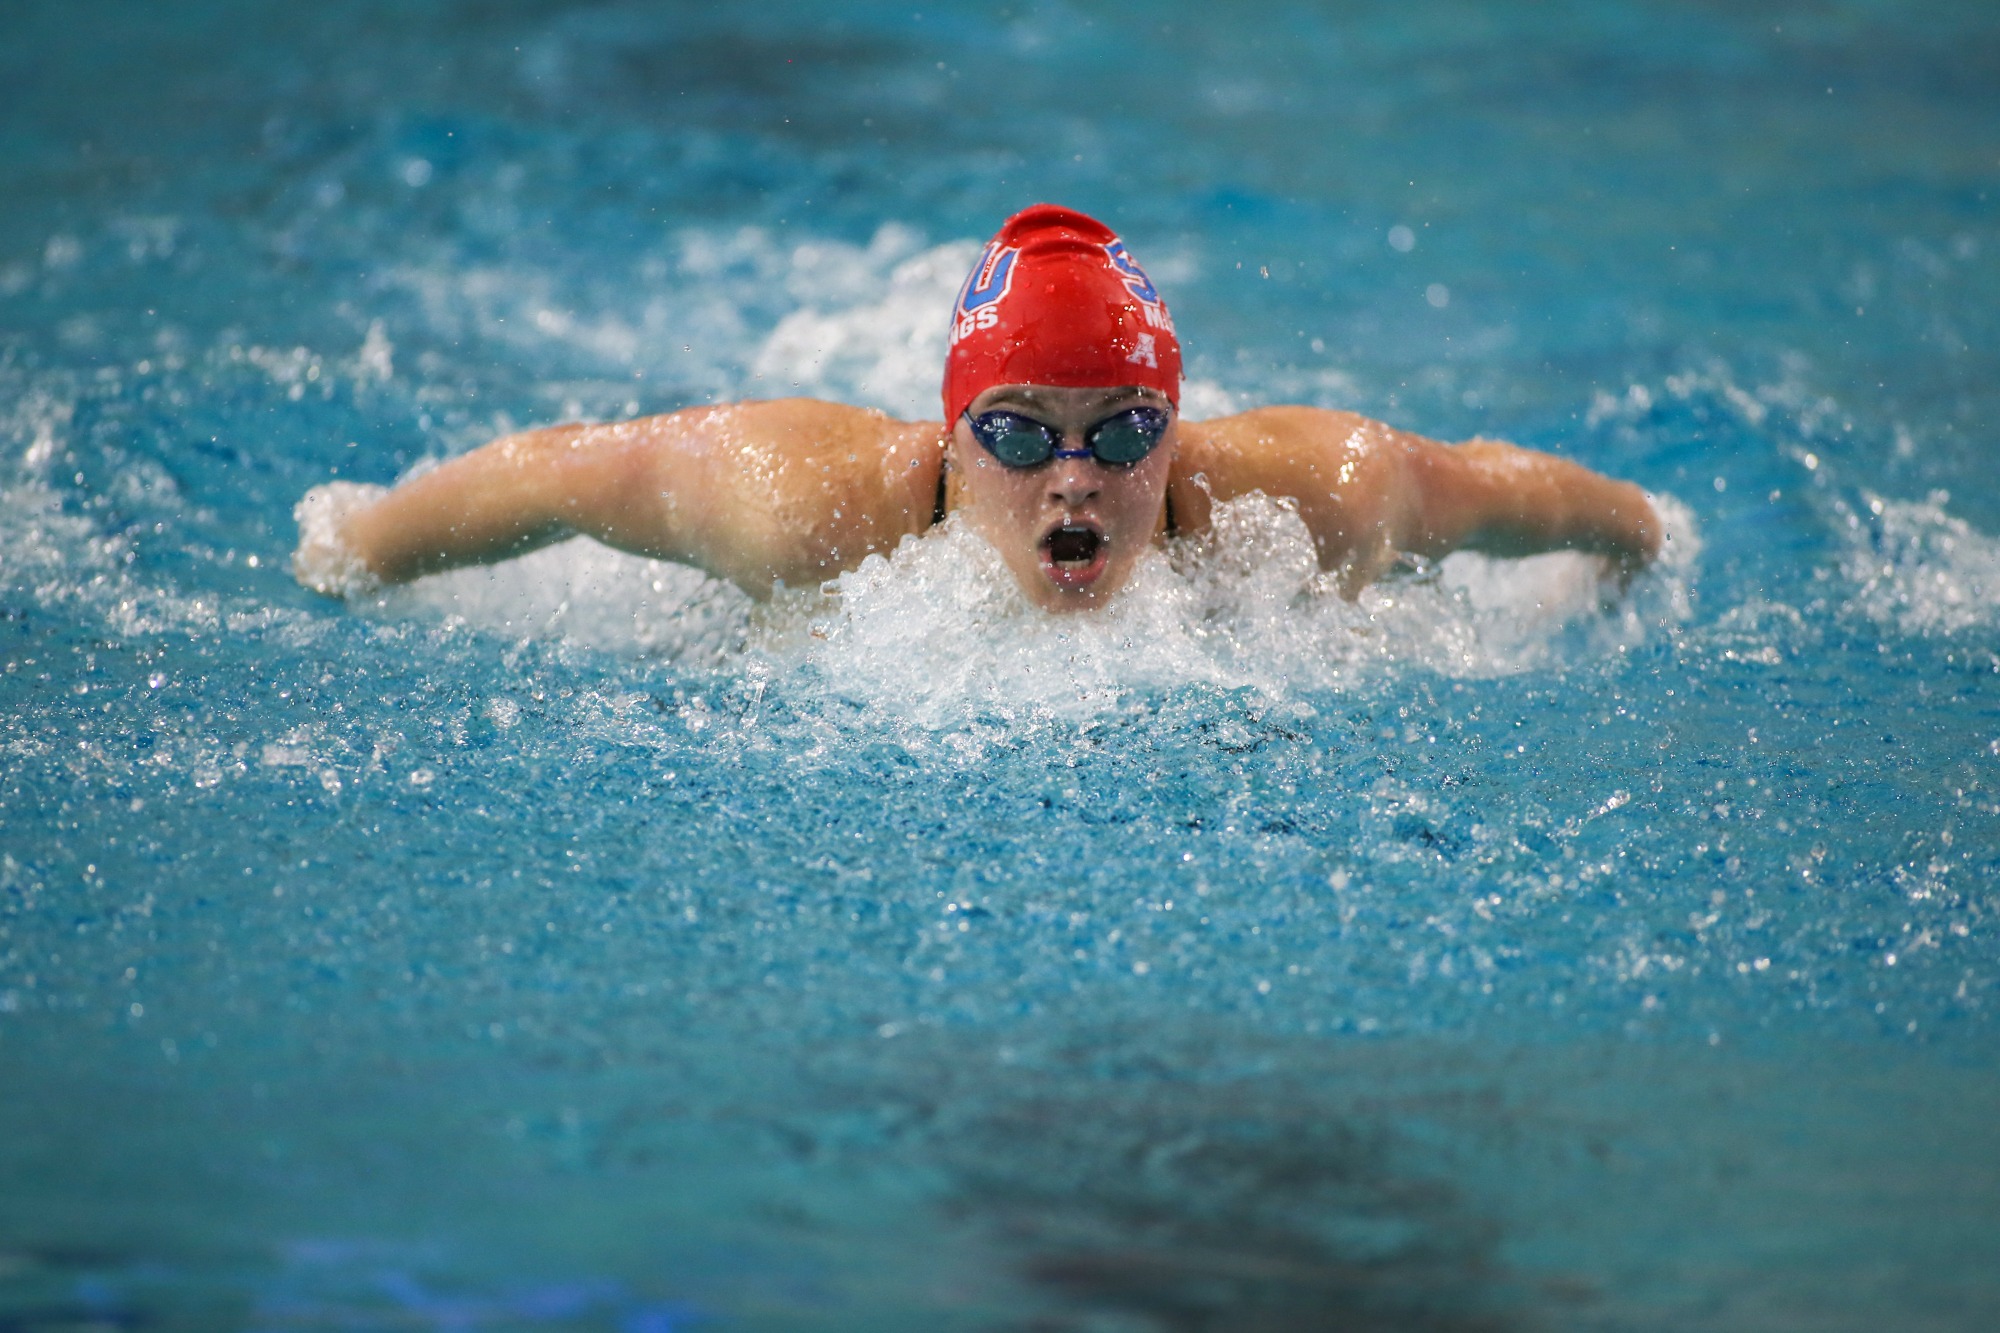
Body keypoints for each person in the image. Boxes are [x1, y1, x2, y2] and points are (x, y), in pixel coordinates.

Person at [293, 204, 1659, 613]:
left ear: (1174, 433)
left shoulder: (1312, 498)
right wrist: (358, 547)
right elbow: (562, 472)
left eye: (1122, 430)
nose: (1074, 479)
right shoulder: (799, 502)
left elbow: (1497, 485)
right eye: (1017, 433)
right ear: (952, 436)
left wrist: (1645, 540)